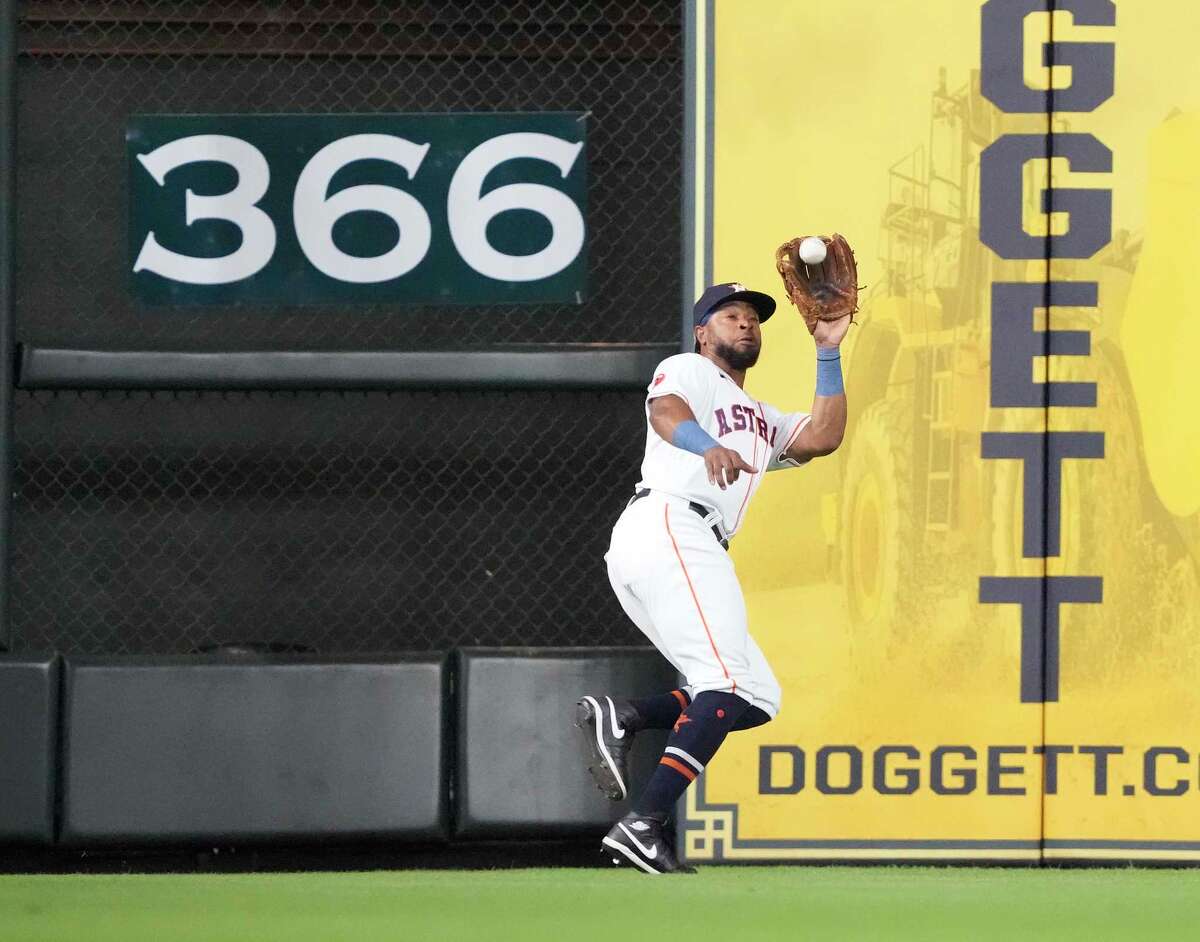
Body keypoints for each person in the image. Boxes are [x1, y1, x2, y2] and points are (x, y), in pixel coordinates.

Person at [577, 281, 850, 874]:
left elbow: (824, 436)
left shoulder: (760, 417)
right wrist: (706, 446)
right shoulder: (689, 369)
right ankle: (644, 824)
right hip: (671, 523)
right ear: (702, 332)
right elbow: (665, 412)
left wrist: (828, 350)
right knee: (723, 683)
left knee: (755, 696)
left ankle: (627, 716)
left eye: (753, 317)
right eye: (730, 315)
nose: (746, 323)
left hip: (677, 542)